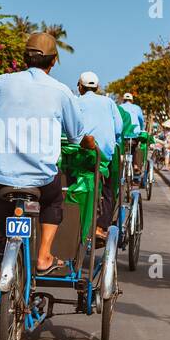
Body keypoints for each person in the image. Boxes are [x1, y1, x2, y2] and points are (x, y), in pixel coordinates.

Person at [0, 32, 96, 284]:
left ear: (25, 58)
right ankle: (44, 256)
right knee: (55, 200)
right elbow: (77, 135)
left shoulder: (2, 83)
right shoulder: (61, 92)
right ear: (53, 61)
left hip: (1, 174)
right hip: (41, 179)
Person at [74, 71, 124, 239]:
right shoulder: (109, 102)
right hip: (103, 157)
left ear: (80, 86)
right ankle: (101, 226)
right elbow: (118, 129)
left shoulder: (74, 101)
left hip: (77, 156)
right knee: (109, 190)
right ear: (97, 87)